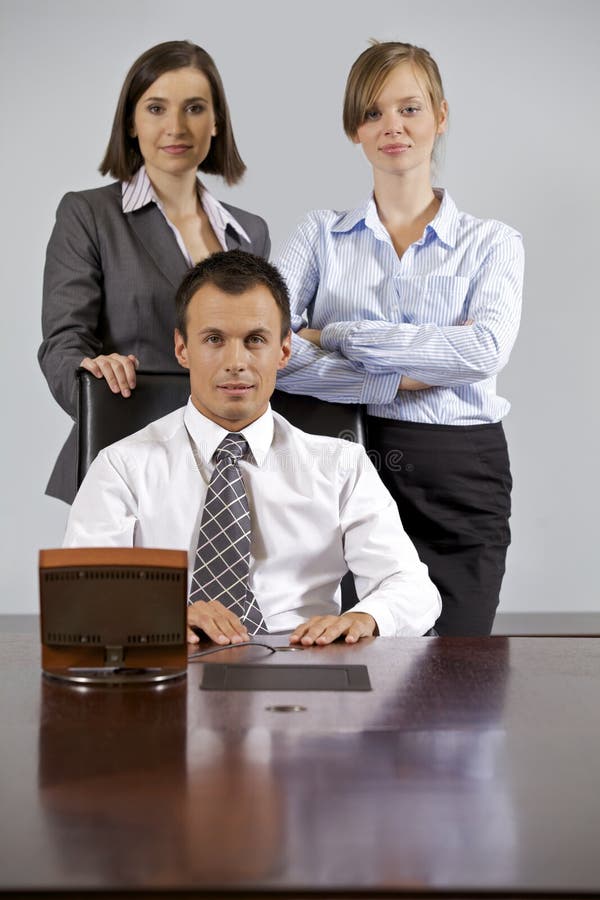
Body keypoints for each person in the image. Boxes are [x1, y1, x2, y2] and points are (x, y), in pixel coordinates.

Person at [63, 250, 441, 645]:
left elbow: (412, 586)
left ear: (283, 351)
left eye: (255, 340)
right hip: (167, 659)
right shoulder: (122, 465)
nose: (236, 362)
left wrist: (368, 615)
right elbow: (79, 597)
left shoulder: (341, 465)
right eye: (214, 339)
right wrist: (162, 613)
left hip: (300, 667)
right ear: (182, 348)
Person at [275, 41, 524, 637]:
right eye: (373, 112)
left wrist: (334, 333)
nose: (393, 127)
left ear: (440, 116)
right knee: (355, 674)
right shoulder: (318, 235)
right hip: (342, 456)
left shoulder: (493, 243)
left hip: (461, 470)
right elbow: (269, 349)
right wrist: (418, 366)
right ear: (354, 130)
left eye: (410, 108)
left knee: (459, 682)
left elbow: (484, 350)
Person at [39, 40, 270, 504]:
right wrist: (91, 380)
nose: (176, 127)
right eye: (156, 108)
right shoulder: (88, 214)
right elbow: (63, 344)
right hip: (125, 458)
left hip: (227, 468)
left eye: (195, 108)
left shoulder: (250, 233)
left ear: (216, 121)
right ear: (131, 121)